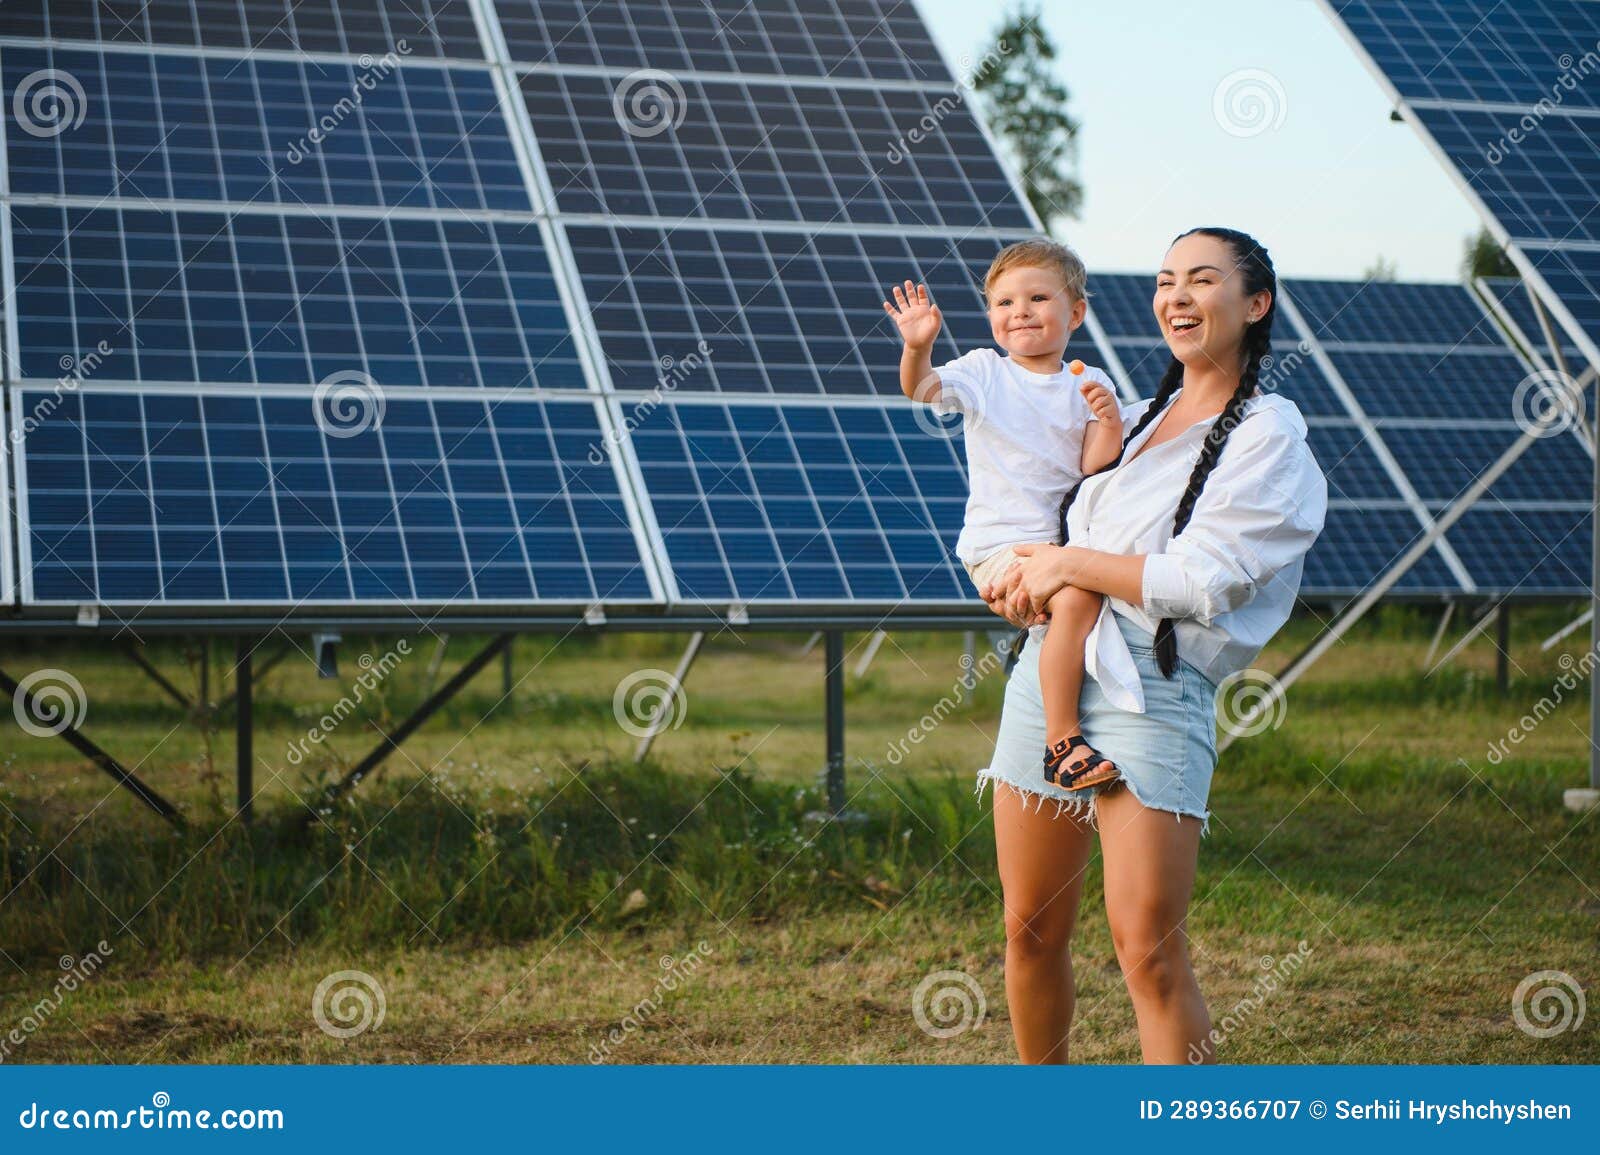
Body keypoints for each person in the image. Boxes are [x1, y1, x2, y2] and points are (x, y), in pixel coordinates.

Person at [976, 227, 1327, 1064]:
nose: (1176, 296)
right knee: (1028, 928)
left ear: (1255, 304)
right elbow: (1044, 515)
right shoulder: (1132, 418)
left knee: (1148, 949)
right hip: (1050, 674)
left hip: (1154, 684)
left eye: (1202, 280)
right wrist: (1019, 574)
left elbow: (1205, 579)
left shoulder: (1269, 433)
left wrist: (1066, 562)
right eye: (1167, 280)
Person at [884, 238, 1127, 789]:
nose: (1020, 312)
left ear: (1076, 312)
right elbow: (922, 390)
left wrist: (1109, 421)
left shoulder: (1089, 383)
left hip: (1058, 547)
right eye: (1003, 303)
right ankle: (1061, 743)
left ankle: (1059, 701)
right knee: (1080, 596)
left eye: (1038, 297)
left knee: (1082, 601)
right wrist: (917, 348)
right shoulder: (984, 372)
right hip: (1001, 547)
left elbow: (1096, 465)